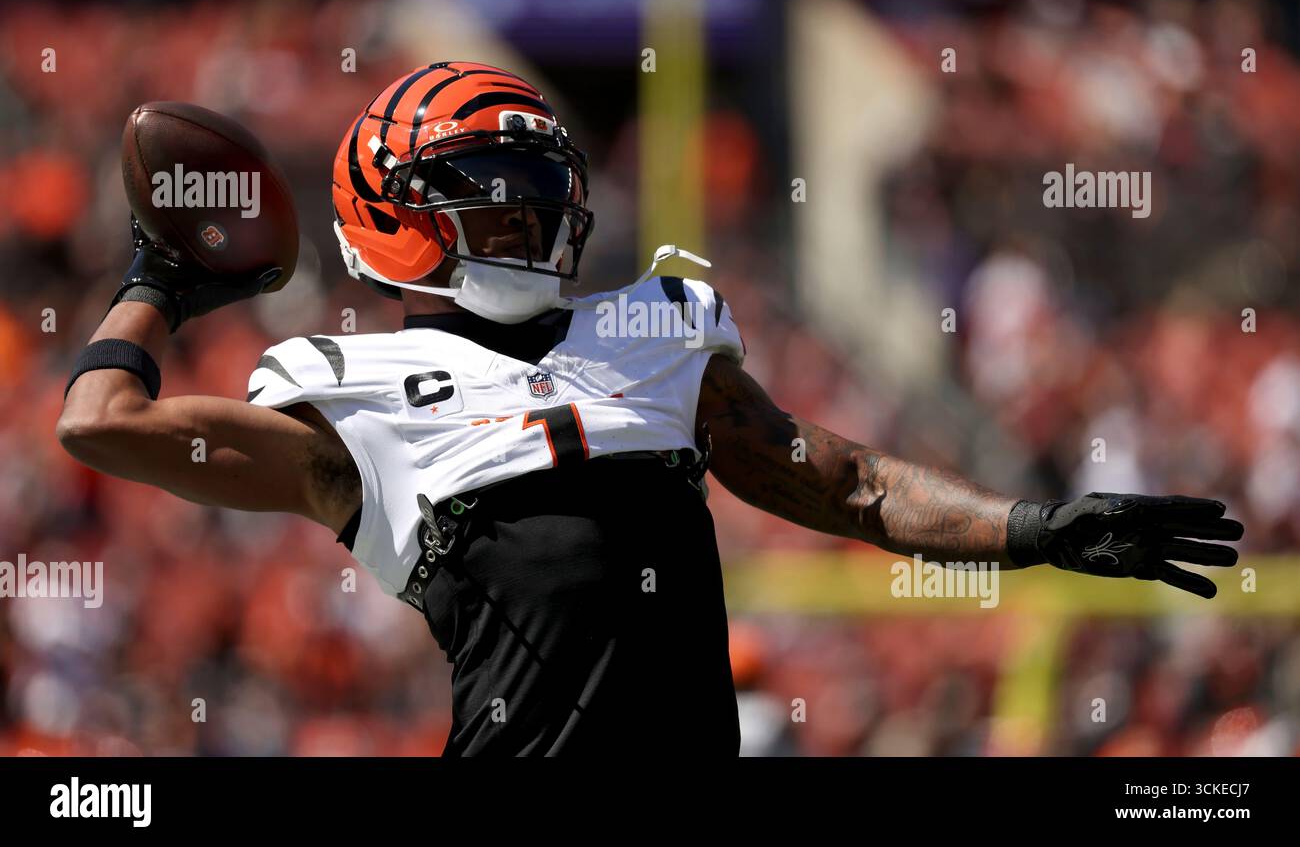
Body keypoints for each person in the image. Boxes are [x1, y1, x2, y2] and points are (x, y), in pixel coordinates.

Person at [57, 61, 1243, 756]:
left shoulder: (657, 330)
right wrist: (157, 284)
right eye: (496, 201)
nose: (534, 224)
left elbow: (846, 482)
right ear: (400, 216)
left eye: (541, 199)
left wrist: (1033, 530)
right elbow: (98, 422)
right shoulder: (346, 397)